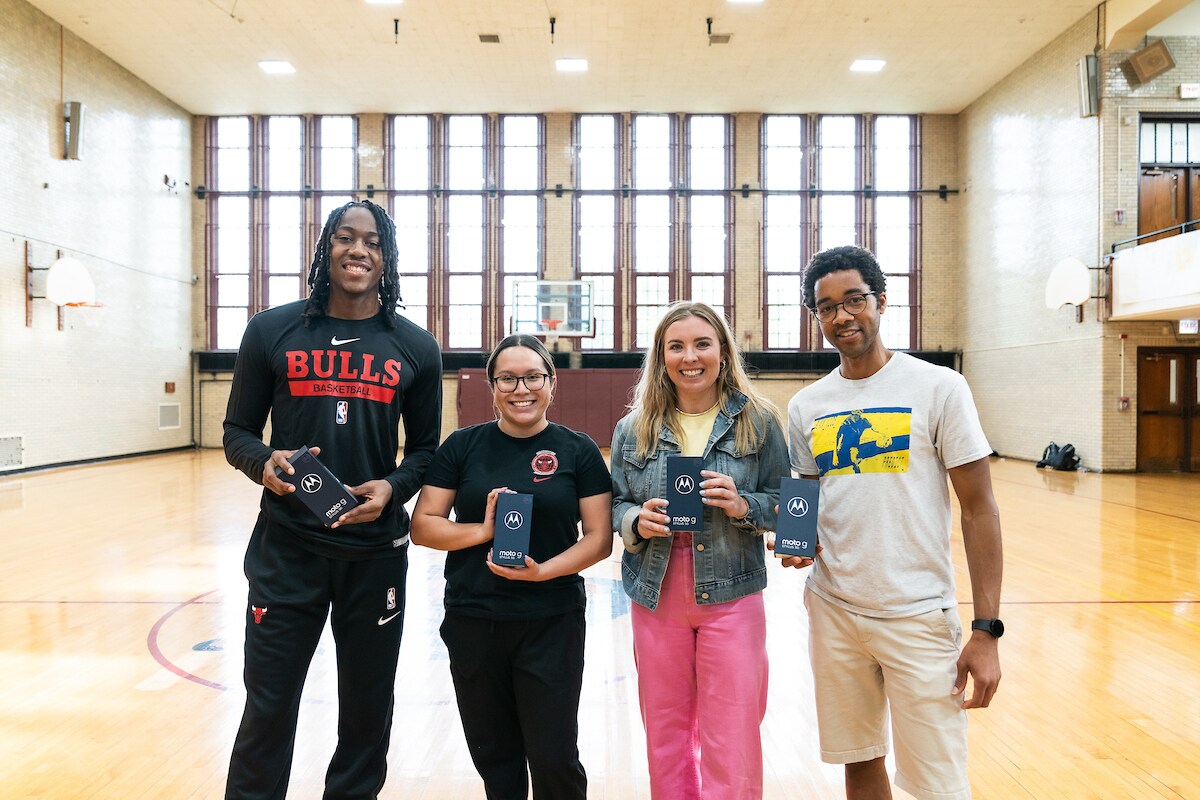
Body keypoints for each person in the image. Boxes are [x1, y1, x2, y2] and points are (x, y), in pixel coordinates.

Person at [222, 199, 443, 800]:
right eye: (346, 238)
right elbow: (237, 432)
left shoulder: (415, 347)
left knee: (367, 714)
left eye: (373, 242)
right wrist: (261, 463)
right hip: (287, 550)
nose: (358, 250)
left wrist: (393, 488)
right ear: (326, 249)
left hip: (374, 554)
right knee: (268, 706)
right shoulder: (272, 330)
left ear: (387, 258)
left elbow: (426, 449)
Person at [781, 245, 1003, 800]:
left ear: (881, 301)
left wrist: (987, 629)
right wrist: (793, 538)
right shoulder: (807, 405)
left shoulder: (939, 388)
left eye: (853, 300)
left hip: (918, 614)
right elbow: (805, 492)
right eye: (825, 307)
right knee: (858, 761)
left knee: (938, 783)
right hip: (833, 609)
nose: (841, 316)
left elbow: (979, 510)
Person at [410, 334, 612, 800]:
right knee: (496, 758)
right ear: (492, 386)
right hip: (474, 619)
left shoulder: (578, 450)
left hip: (551, 620)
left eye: (533, 377)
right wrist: (483, 530)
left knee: (554, 756)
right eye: (507, 378)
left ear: (552, 383)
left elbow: (599, 540)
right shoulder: (461, 447)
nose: (521, 388)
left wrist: (542, 572)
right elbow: (423, 526)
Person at [611, 301, 789, 800]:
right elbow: (612, 505)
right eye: (677, 346)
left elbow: (786, 503)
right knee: (664, 733)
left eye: (702, 343)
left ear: (723, 352)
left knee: (732, 733)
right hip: (656, 592)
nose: (690, 356)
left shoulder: (760, 421)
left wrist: (743, 505)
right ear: (661, 357)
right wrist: (634, 520)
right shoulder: (634, 427)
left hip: (732, 593)